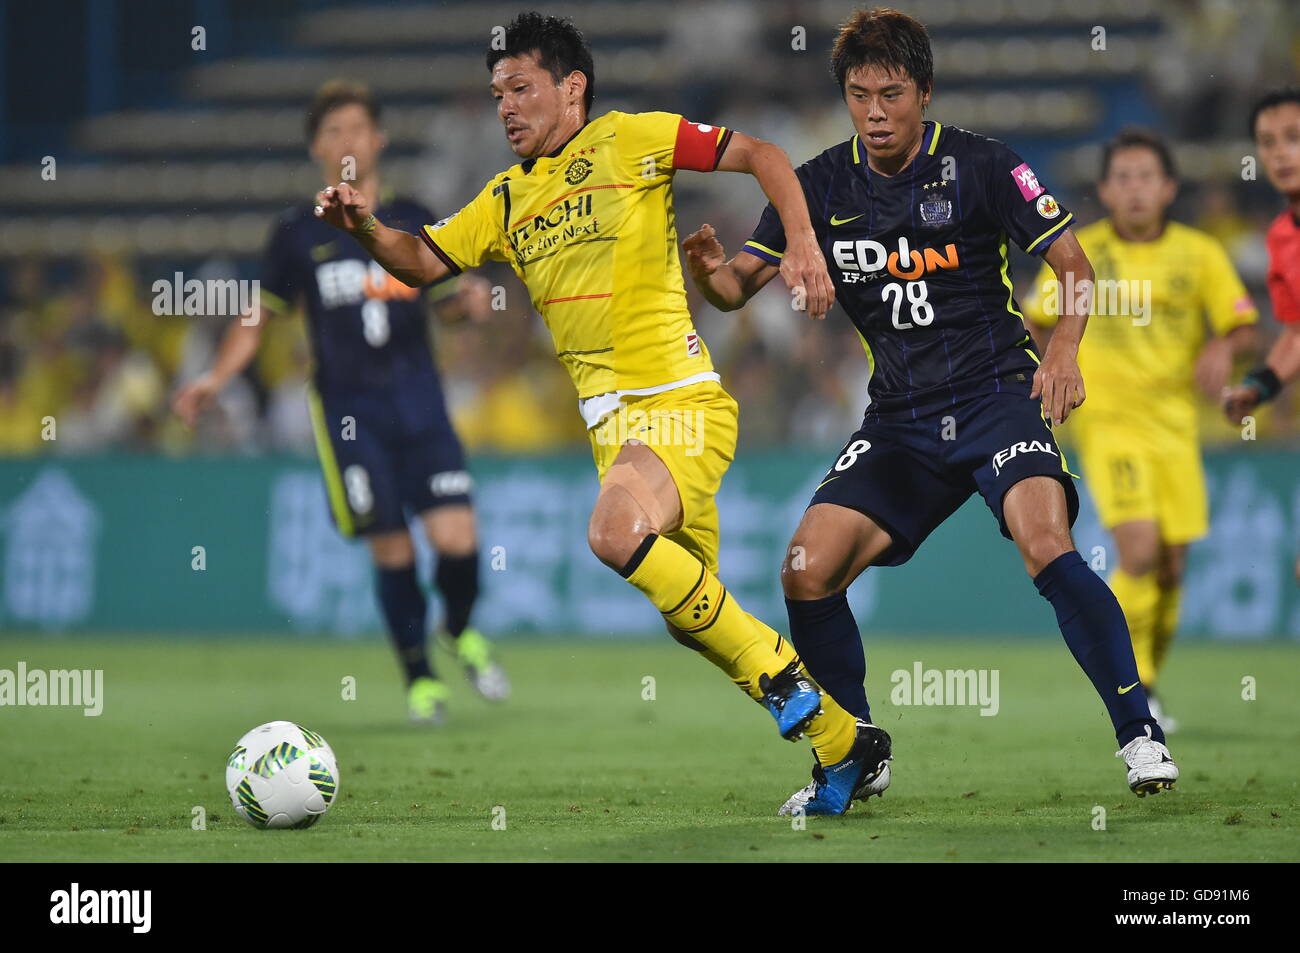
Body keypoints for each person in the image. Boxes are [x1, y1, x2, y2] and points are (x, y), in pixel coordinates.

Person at [312, 12, 866, 799]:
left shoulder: (634, 140)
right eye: (497, 92)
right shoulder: (505, 198)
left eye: (521, 88)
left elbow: (764, 155)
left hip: (679, 405)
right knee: (691, 619)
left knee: (612, 532)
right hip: (615, 433)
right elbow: (420, 259)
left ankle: (785, 676)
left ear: (571, 88)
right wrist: (366, 225)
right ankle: (846, 742)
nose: (505, 106)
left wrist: (802, 243)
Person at [683, 7, 1179, 815]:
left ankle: (1138, 730)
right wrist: (708, 275)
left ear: (925, 91)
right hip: (899, 420)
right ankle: (855, 749)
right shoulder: (816, 186)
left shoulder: (985, 166)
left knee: (1046, 544)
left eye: (891, 93)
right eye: (858, 95)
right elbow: (738, 287)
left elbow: (1075, 264)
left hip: (995, 395)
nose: (875, 112)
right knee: (806, 570)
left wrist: (1061, 350)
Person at [174, 81, 508, 725]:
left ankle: (457, 627)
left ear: (379, 139)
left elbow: (448, 303)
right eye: (332, 132)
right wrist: (216, 377)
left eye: (357, 128)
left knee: (459, 542)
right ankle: (420, 682)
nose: (346, 141)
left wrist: (470, 305)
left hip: (422, 406)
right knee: (393, 547)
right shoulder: (296, 234)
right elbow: (258, 316)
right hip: (351, 415)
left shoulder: (414, 216)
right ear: (314, 149)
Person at [1023, 128, 1257, 731]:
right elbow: (1033, 318)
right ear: (1103, 189)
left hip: (1177, 426)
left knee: (1173, 565)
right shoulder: (1080, 253)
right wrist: (1053, 368)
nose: (1133, 190)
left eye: (1145, 177)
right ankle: (1124, 678)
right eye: (1121, 178)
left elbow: (1241, 325)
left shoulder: (1199, 254)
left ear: (1168, 187)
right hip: (1107, 422)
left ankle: (1146, 679)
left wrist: (1221, 349)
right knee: (1141, 549)